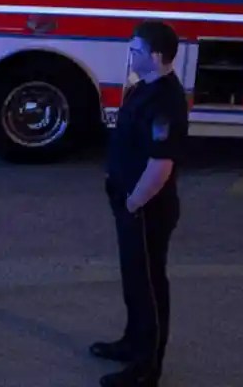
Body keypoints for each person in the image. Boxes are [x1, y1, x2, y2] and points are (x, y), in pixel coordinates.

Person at [90, 20, 188, 387]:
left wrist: (134, 202)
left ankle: (147, 368)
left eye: (137, 51)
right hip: (130, 203)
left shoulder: (165, 101)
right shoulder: (143, 88)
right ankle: (132, 342)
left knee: (148, 286)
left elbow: (161, 164)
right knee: (134, 280)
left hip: (147, 209)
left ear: (156, 56)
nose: (131, 56)